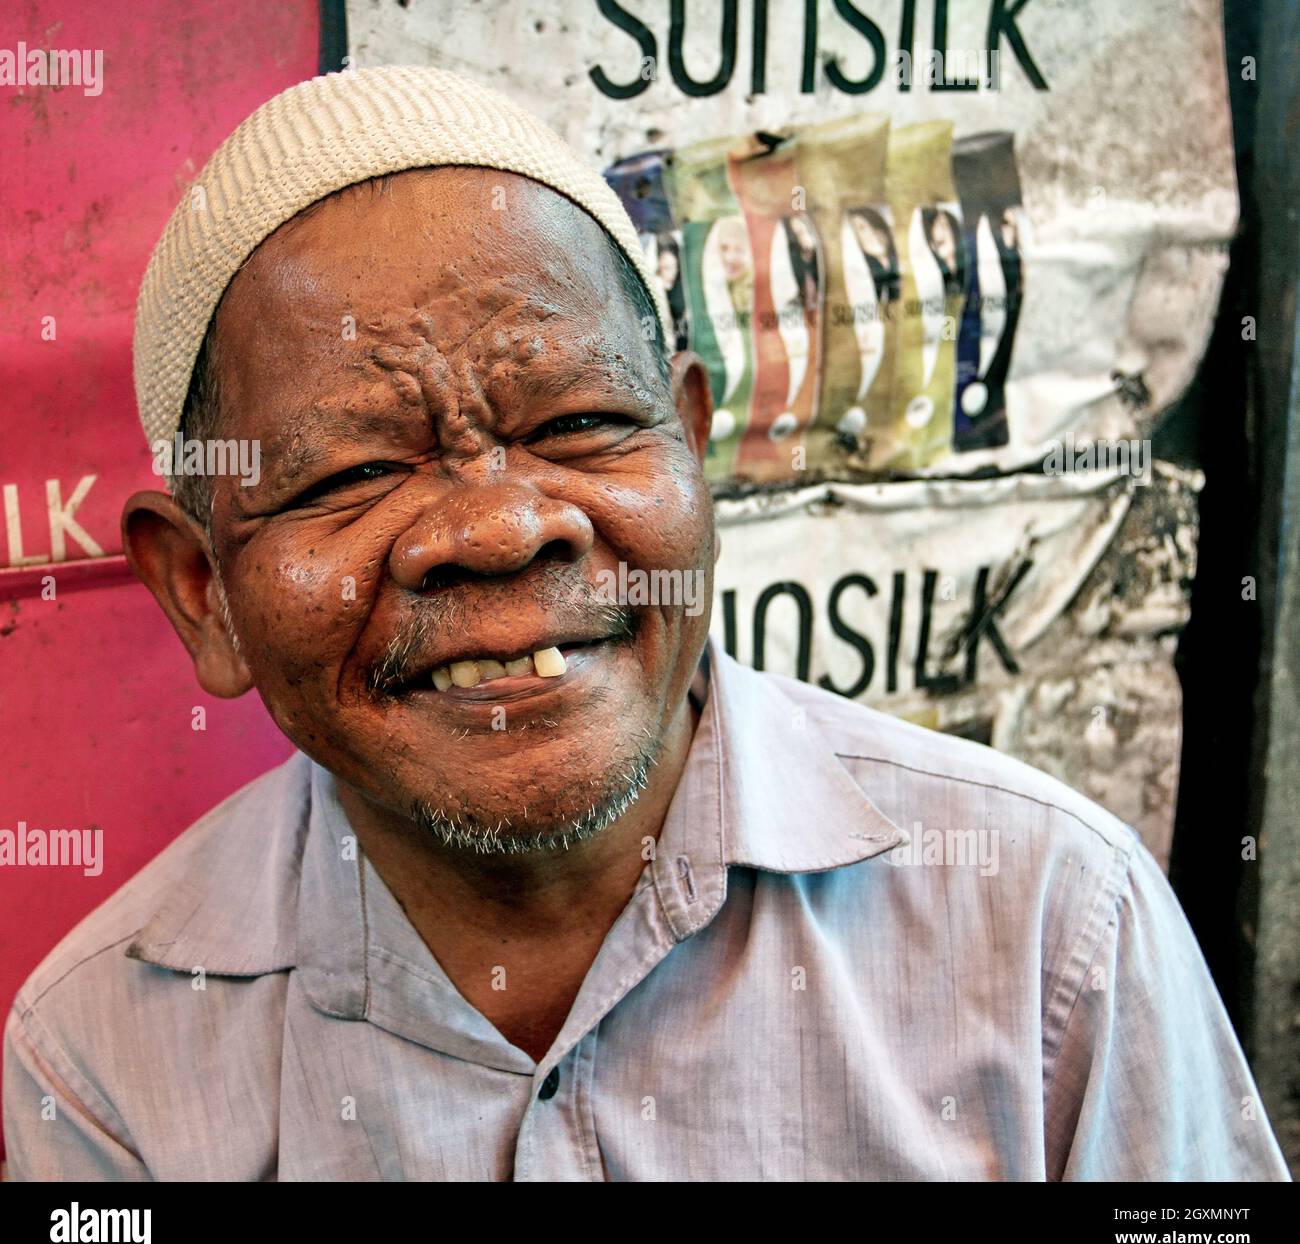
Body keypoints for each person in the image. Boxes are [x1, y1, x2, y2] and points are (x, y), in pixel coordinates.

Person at [2, 65, 1290, 1182]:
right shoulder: (107, 1058)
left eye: (575, 425)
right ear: (202, 591)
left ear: (693, 444)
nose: (504, 528)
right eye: (352, 476)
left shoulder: (1056, 925)